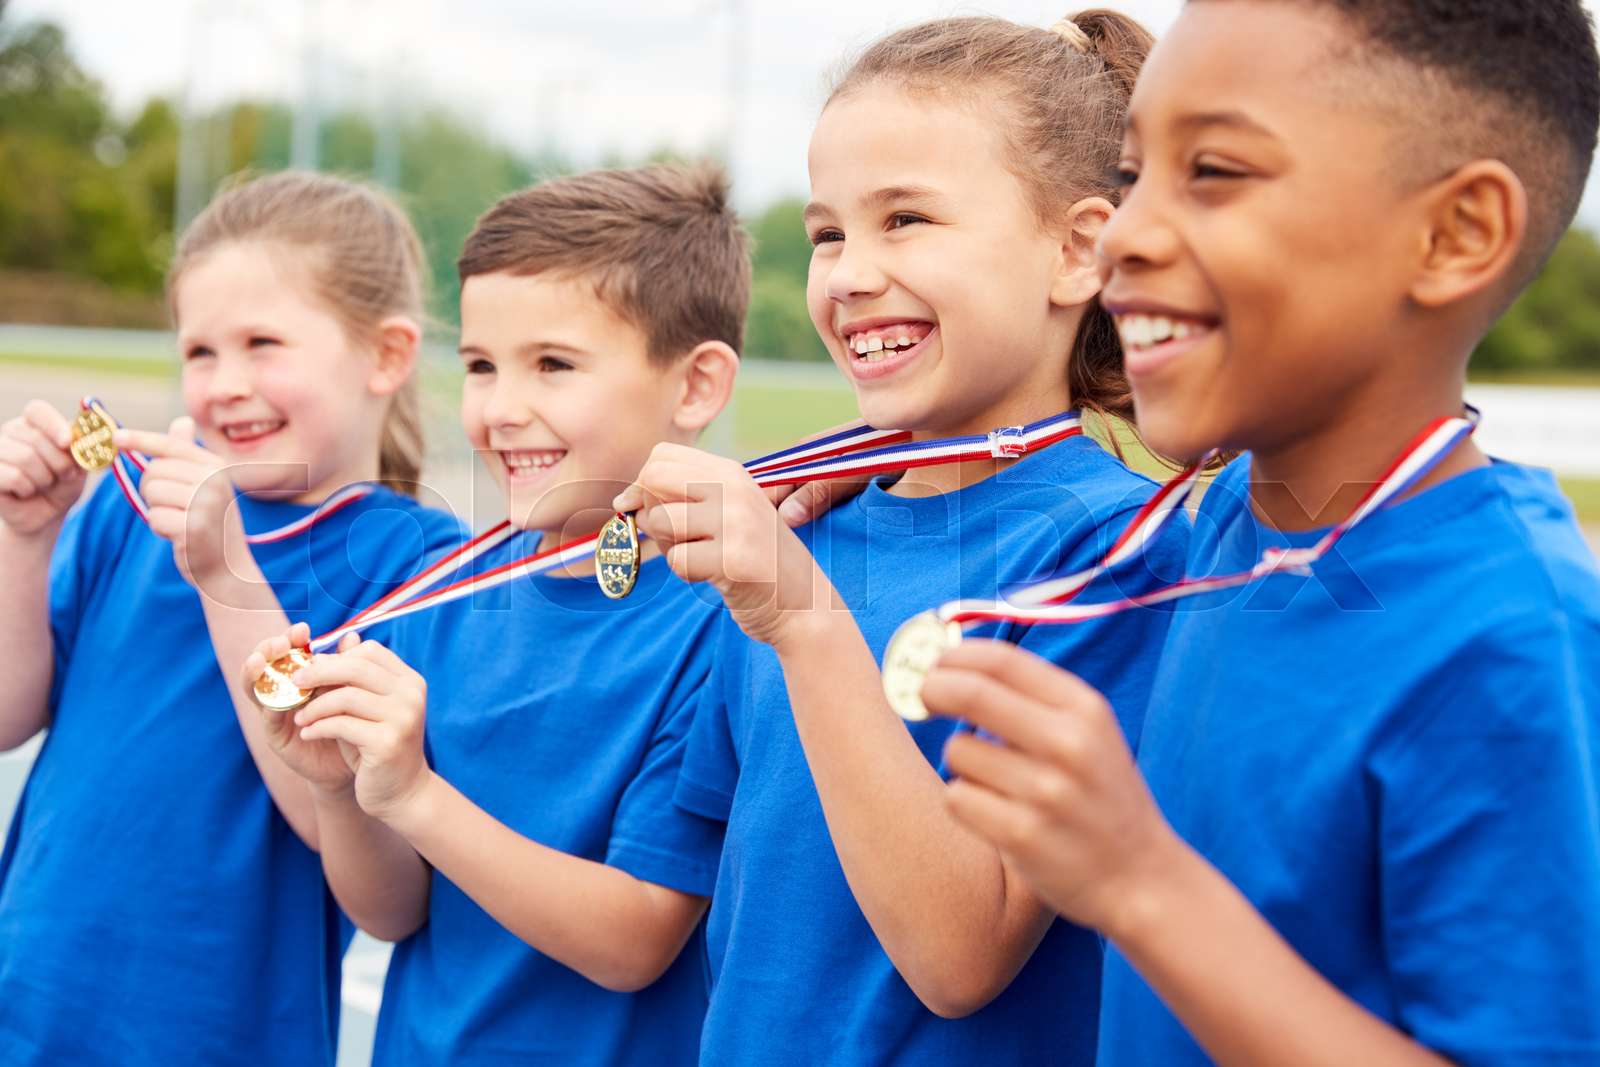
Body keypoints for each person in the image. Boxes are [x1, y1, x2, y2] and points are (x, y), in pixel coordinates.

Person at [921, 3, 1600, 1065]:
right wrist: (841, 478)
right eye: (1134, 172)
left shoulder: (1513, 631)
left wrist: (1140, 881)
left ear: (1455, 233)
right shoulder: (1226, 521)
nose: (1126, 232)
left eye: (1217, 172)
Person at [618, 11, 1185, 1064]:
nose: (849, 273)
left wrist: (803, 619)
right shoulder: (805, 528)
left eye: (907, 219)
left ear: (1077, 250)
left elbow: (960, 955)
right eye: (828, 232)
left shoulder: (1119, 552)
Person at [248, 163, 748, 1065]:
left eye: (553, 364)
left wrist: (416, 796)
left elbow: (634, 939)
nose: (501, 409)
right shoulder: (442, 590)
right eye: (480, 365)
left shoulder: (726, 619)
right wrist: (339, 783)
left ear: (697, 385)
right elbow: (390, 910)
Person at [0, 171, 464, 1065]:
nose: (225, 384)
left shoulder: (418, 563)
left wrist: (224, 574)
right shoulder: (126, 509)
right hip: (32, 999)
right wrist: (24, 537)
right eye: (201, 351)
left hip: (216, 1029)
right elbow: (9, 714)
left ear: (385, 355)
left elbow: (361, 855)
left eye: (263, 343)